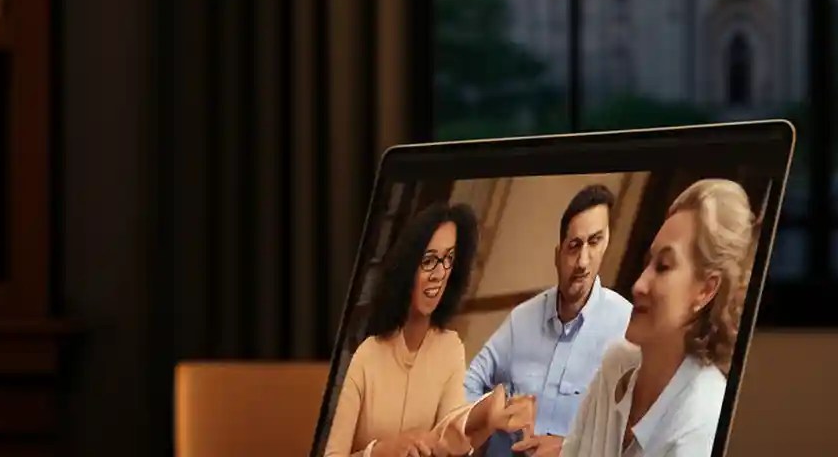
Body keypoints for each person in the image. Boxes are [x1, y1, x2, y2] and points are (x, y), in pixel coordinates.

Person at [511, 178, 760, 457]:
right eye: (647, 263)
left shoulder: (704, 420)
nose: (639, 285)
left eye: (663, 266)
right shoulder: (616, 364)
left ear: (705, 290)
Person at [324, 203, 537, 457]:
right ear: (407, 269)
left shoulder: (450, 348)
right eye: (429, 260)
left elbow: (448, 437)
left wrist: (489, 410)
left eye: (448, 260)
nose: (439, 273)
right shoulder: (367, 356)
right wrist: (378, 452)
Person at [463, 184, 633, 457]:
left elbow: (636, 434)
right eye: (574, 246)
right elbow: (468, 384)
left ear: (606, 244)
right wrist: (492, 418)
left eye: (594, 242)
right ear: (558, 255)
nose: (583, 261)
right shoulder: (522, 320)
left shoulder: (627, 329)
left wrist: (572, 448)